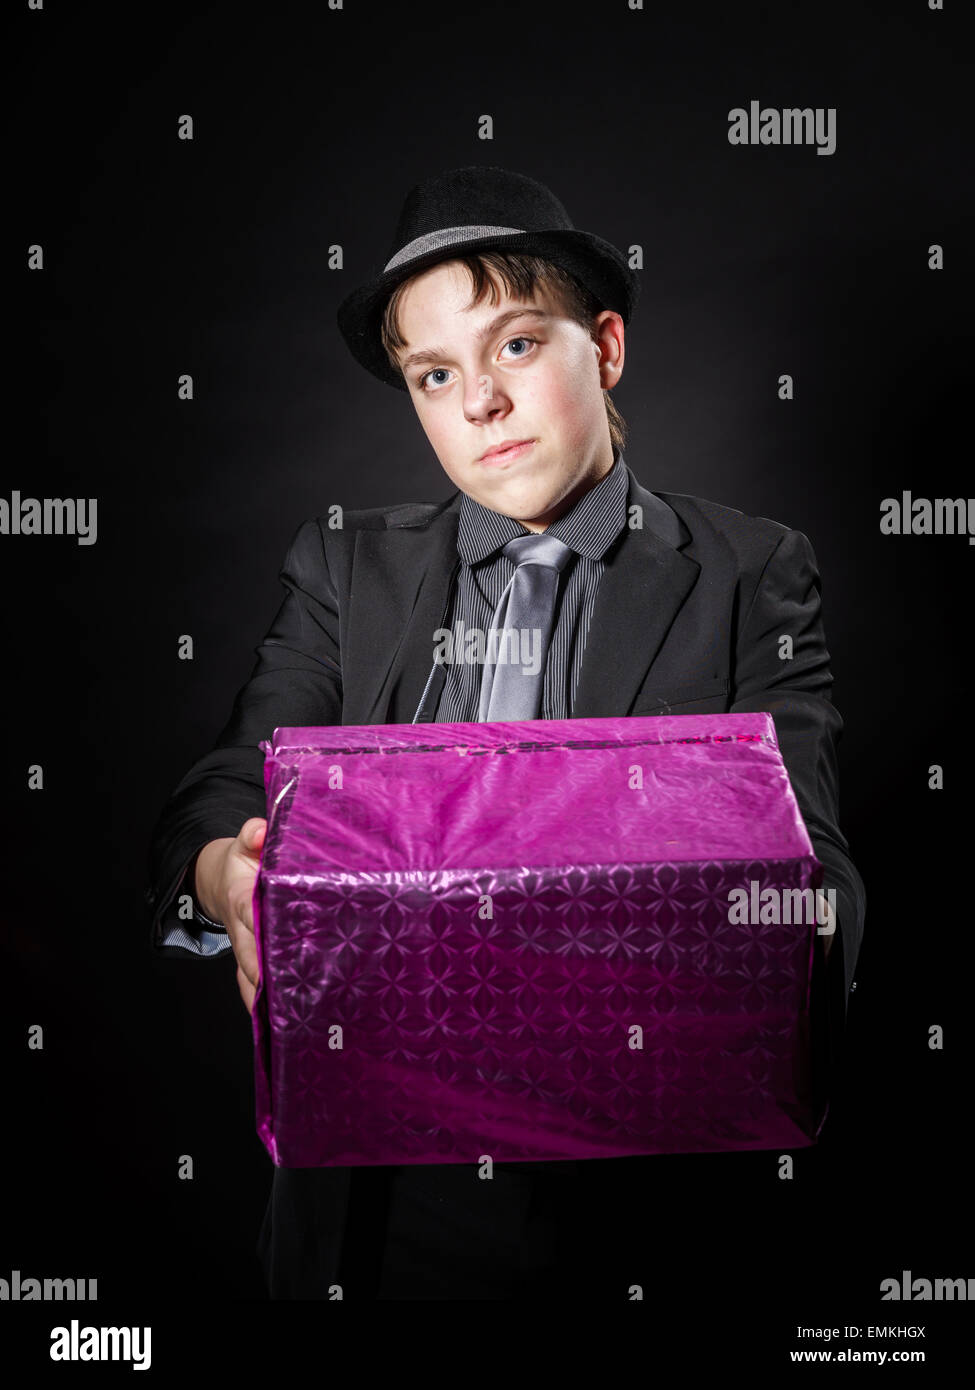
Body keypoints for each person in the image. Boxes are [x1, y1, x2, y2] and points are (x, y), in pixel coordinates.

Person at [145, 164, 866, 1299]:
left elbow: (812, 856)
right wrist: (222, 878)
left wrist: (783, 937)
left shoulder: (748, 572)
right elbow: (233, 776)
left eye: (518, 346)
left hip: (642, 1198)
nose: (479, 402)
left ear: (608, 348)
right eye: (437, 374)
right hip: (377, 1207)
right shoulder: (346, 566)